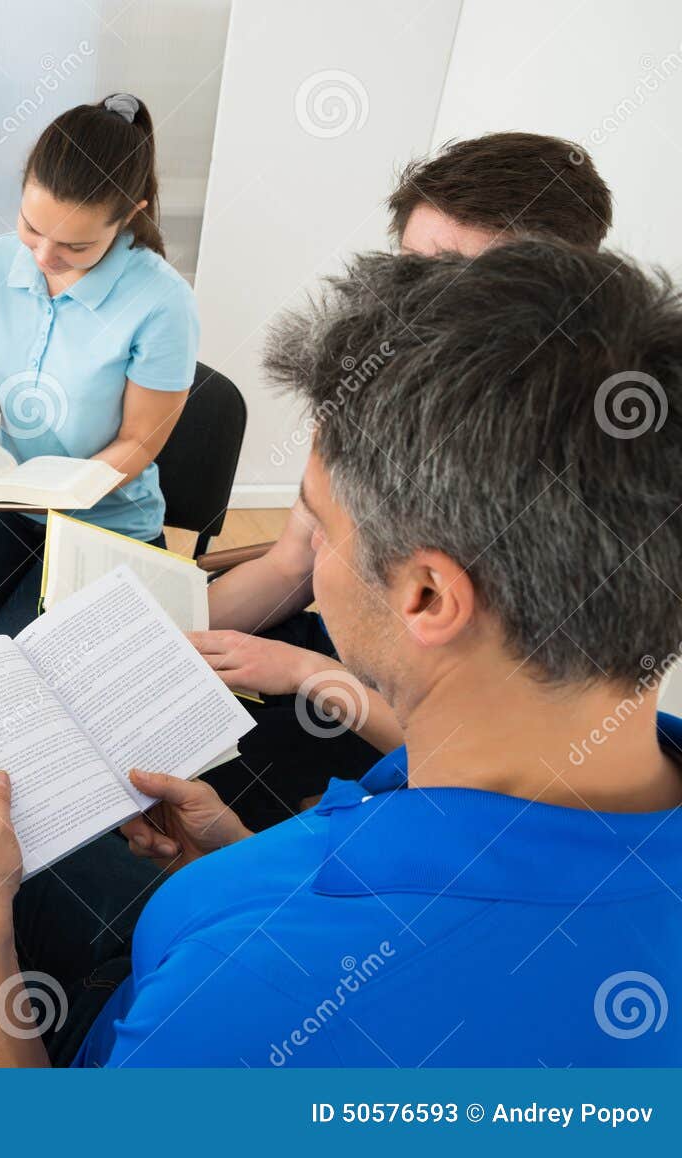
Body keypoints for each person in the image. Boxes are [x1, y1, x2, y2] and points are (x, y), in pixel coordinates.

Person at [0, 240, 682, 1067]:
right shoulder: (598, 763)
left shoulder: (253, 1000)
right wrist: (232, 858)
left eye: (317, 527)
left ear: (427, 597)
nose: (299, 558)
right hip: (200, 922)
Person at [198, 131, 616, 831]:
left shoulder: (590, 485)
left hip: (429, 745)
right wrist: (156, 639)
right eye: (411, 275)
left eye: (464, 288)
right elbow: (289, 565)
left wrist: (311, 678)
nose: (420, 313)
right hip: (334, 660)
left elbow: (502, 766)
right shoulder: (362, 389)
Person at [0, 94, 197, 660]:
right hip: (7, 502)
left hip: (104, 523)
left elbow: (140, 441)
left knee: (14, 667)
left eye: (74, 245)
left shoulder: (163, 303)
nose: (42, 255)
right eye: (32, 227)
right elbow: (3, 356)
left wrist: (63, 491)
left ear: (128, 216)